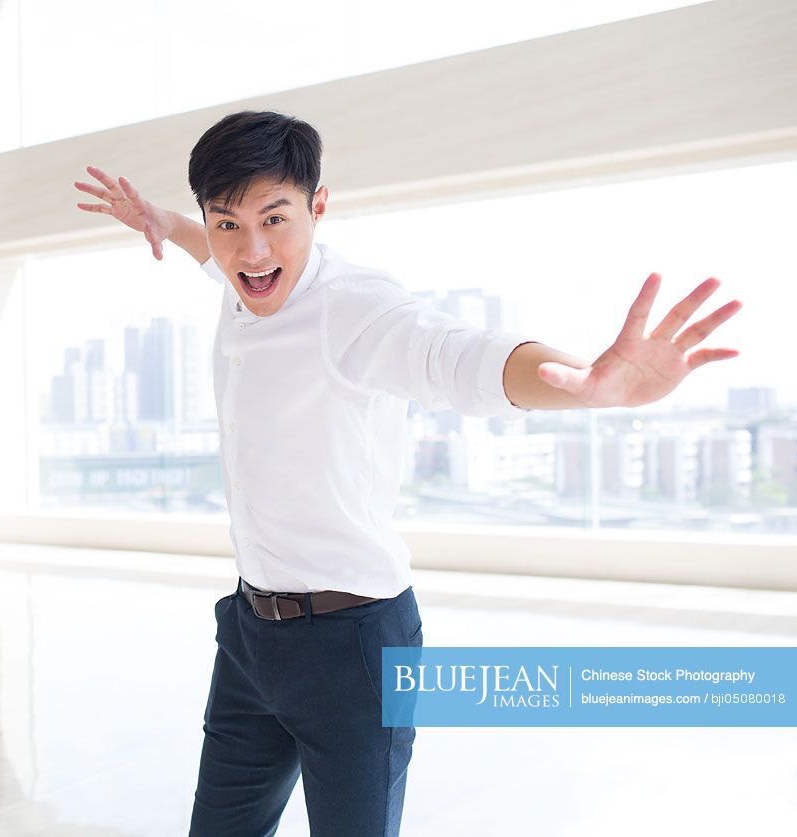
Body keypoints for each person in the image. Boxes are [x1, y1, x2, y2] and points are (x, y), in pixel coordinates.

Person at [74, 110, 741, 836]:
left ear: (317, 206)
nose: (253, 250)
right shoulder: (243, 276)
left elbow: (457, 356)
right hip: (248, 633)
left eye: (275, 218)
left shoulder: (355, 308)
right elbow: (217, 251)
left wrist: (581, 383)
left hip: (351, 644)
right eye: (228, 222)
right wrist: (167, 222)